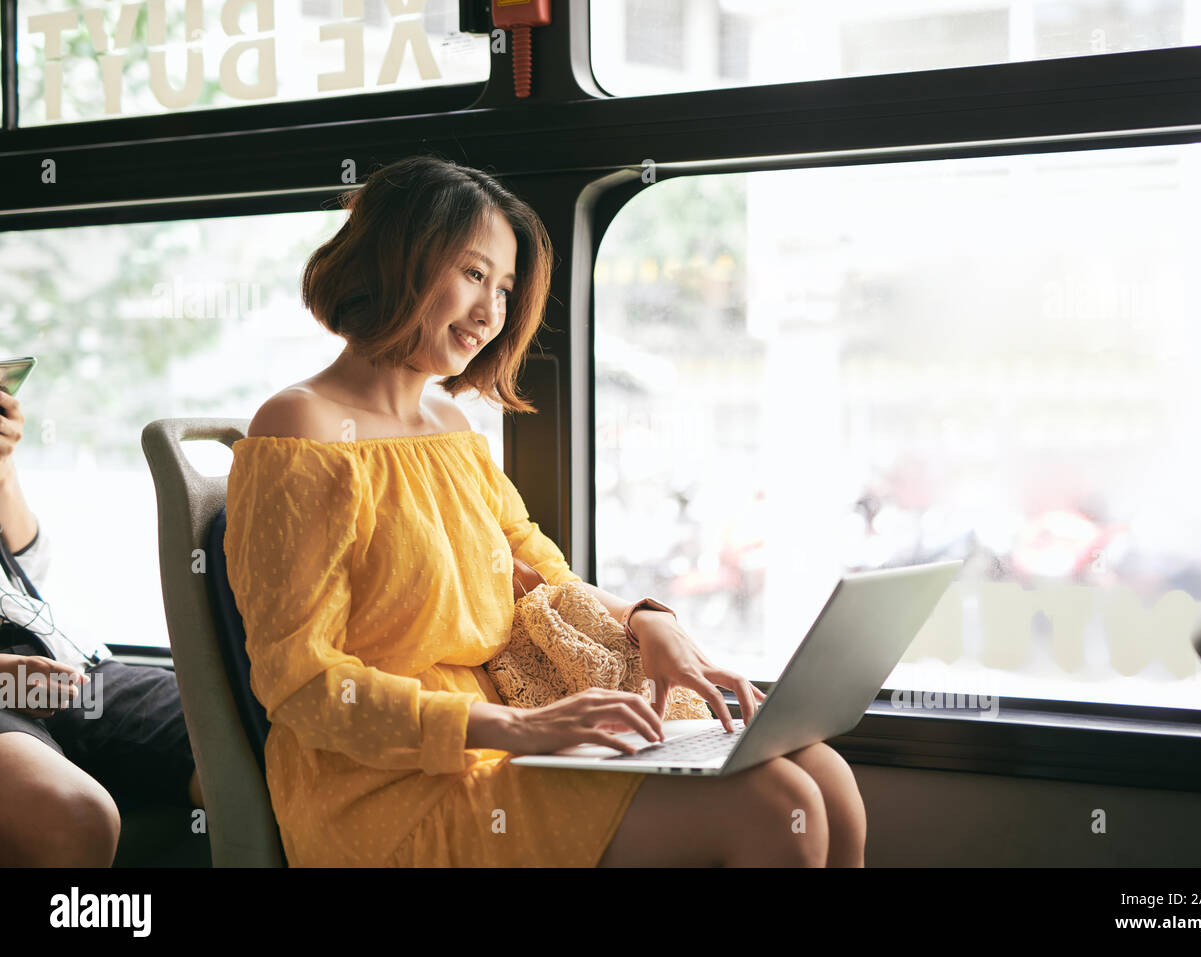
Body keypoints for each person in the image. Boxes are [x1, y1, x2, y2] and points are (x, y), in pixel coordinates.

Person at [225, 154, 867, 867]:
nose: (490, 312)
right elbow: (301, 681)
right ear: (395, 258)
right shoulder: (300, 428)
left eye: (502, 287)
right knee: (780, 807)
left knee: (827, 779)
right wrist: (510, 728)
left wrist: (646, 619)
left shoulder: (449, 427)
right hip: (387, 787)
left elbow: (540, 569)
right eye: (472, 273)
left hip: (508, 730)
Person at [0, 388, 204, 866]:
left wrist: (4, 466)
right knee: (71, 816)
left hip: (68, 665)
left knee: (275, 743)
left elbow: (28, 561)